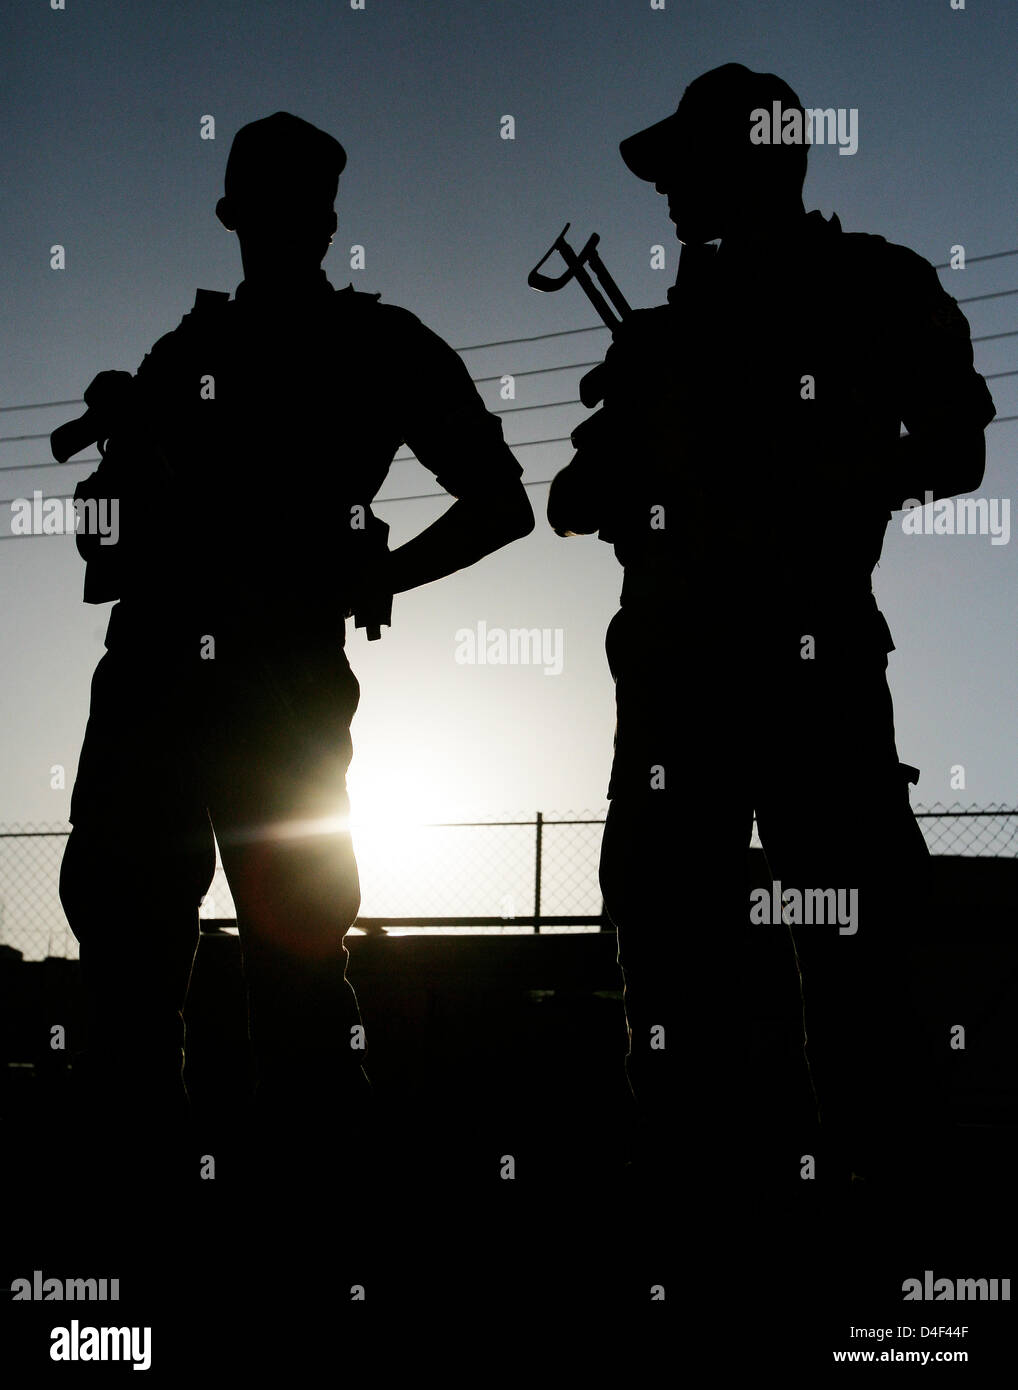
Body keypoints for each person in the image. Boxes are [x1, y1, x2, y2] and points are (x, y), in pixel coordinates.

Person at [60, 112, 534, 1189]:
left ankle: (305, 1235)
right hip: (162, 684)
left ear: (322, 221)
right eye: (267, 205)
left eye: (296, 206)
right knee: (144, 981)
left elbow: (503, 504)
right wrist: (126, 464)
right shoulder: (187, 358)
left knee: (287, 975)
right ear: (243, 217)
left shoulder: (372, 344)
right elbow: (105, 535)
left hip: (258, 689)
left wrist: (376, 575)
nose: (282, 226)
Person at [548, 64, 995, 1200]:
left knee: (855, 962)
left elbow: (955, 446)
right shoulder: (663, 338)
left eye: (683, 172)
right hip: (675, 680)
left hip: (807, 662)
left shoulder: (869, 286)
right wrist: (634, 443)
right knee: (667, 957)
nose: (667, 200)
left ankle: (881, 1209)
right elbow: (573, 500)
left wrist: (824, 476)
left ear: (752, 163)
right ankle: (700, 1209)